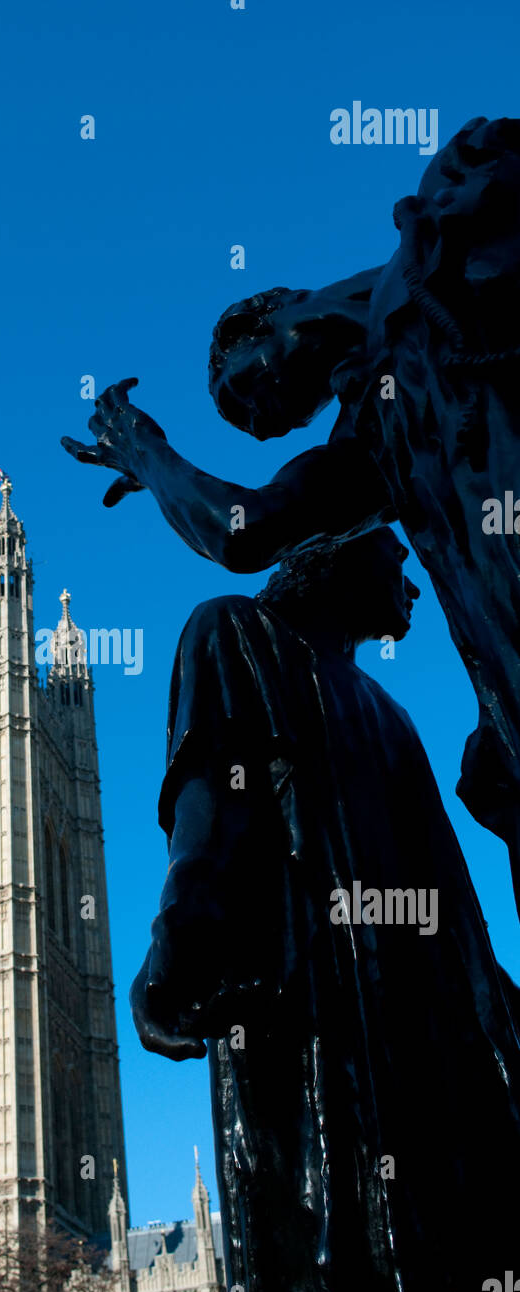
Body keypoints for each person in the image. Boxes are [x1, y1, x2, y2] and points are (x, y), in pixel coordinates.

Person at [61, 117, 520, 916]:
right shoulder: (372, 429)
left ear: (269, 318)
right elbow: (249, 529)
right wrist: (149, 455)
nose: (262, 415)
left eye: (249, 390)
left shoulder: (455, 213)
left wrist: (150, 452)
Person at [129, 528, 520, 1292]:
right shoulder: (250, 635)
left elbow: (459, 929)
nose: (411, 584)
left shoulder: (364, 700)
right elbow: (218, 810)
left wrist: (170, 961)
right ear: (333, 557)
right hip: (366, 1050)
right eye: (397, 560)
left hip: (336, 1041)